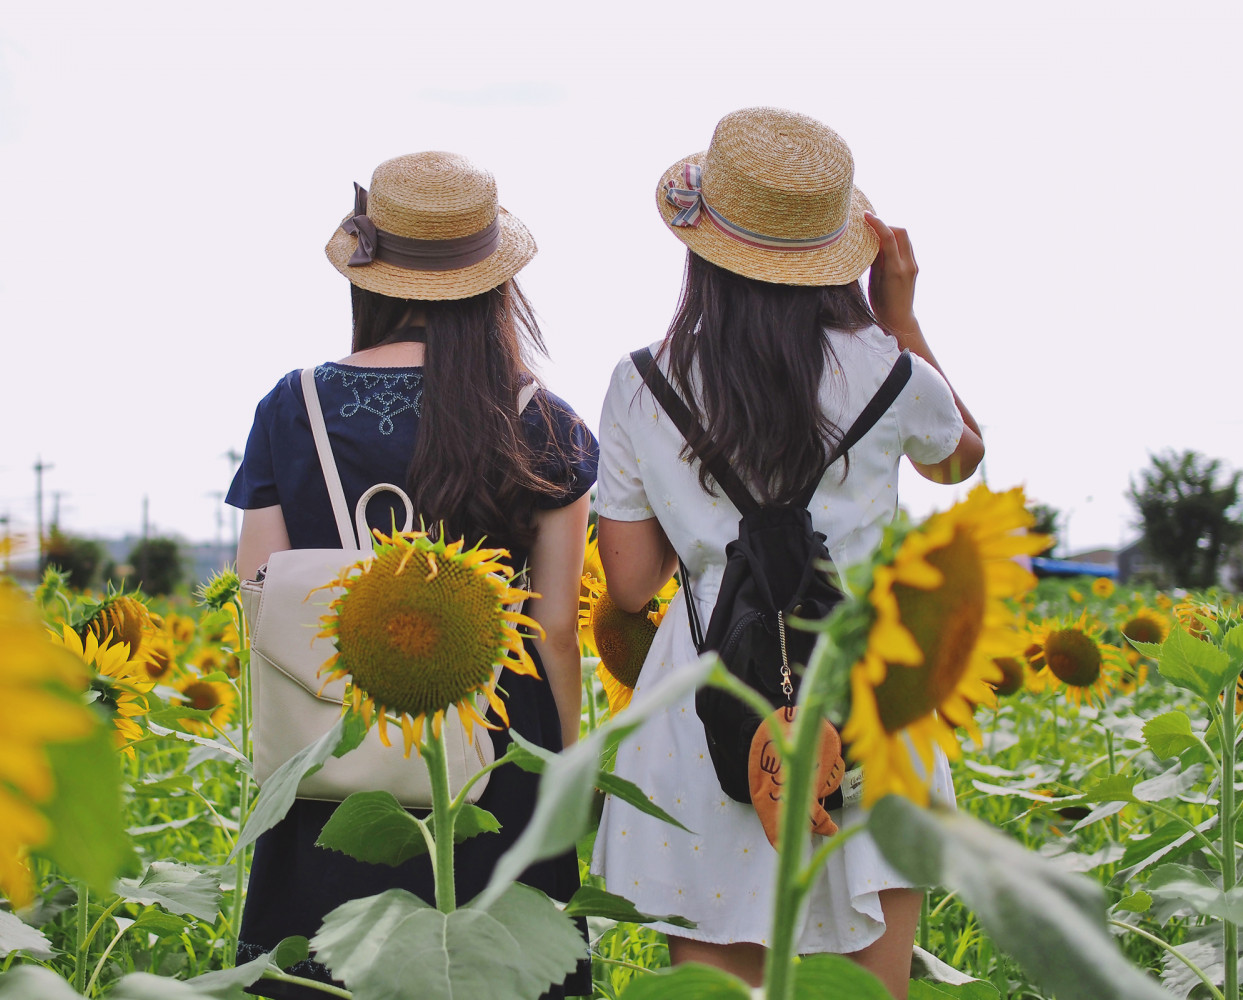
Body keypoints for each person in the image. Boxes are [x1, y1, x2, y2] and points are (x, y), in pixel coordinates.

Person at [589, 107, 985, 1000]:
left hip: (706, 710)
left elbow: (631, 581)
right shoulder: (890, 371)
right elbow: (960, 457)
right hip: (868, 697)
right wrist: (902, 319)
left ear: (703, 249)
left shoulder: (643, 382)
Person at [225, 151, 597, 999]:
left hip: (338, 746)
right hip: (499, 760)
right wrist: (563, 767)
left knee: (329, 970)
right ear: (496, 282)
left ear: (371, 276)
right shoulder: (547, 420)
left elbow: (259, 586)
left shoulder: (294, 406)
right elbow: (560, 627)